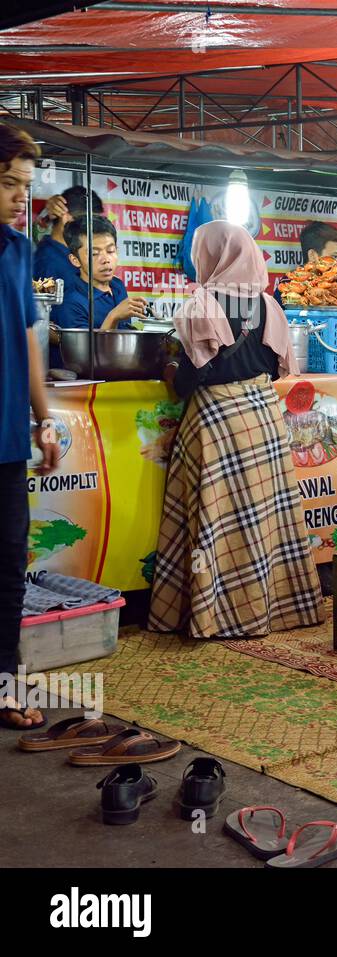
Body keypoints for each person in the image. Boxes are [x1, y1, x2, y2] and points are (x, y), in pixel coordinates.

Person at [148, 220, 321, 640]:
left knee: (218, 521)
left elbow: (192, 378)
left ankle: (217, 616)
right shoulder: (269, 306)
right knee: (265, 519)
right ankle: (276, 610)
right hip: (263, 421)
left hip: (218, 424)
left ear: (209, 257)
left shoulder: (202, 304)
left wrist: (170, 368)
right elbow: (274, 369)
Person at [0, 124, 58, 730]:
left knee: (6, 570)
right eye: (11, 184)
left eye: (25, 185)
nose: (23, 198)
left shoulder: (17, 253)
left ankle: (4, 687)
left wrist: (46, 424)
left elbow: (27, 343)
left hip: (8, 443)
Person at [49, 215, 147, 332]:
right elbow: (85, 350)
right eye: (94, 253)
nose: (106, 259)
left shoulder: (117, 285)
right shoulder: (71, 302)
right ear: (75, 260)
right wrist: (113, 317)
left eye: (110, 251)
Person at [33, 184, 104, 288]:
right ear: (66, 219)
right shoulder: (49, 262)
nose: (95, 231)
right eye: (90, 223)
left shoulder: (71, 256)